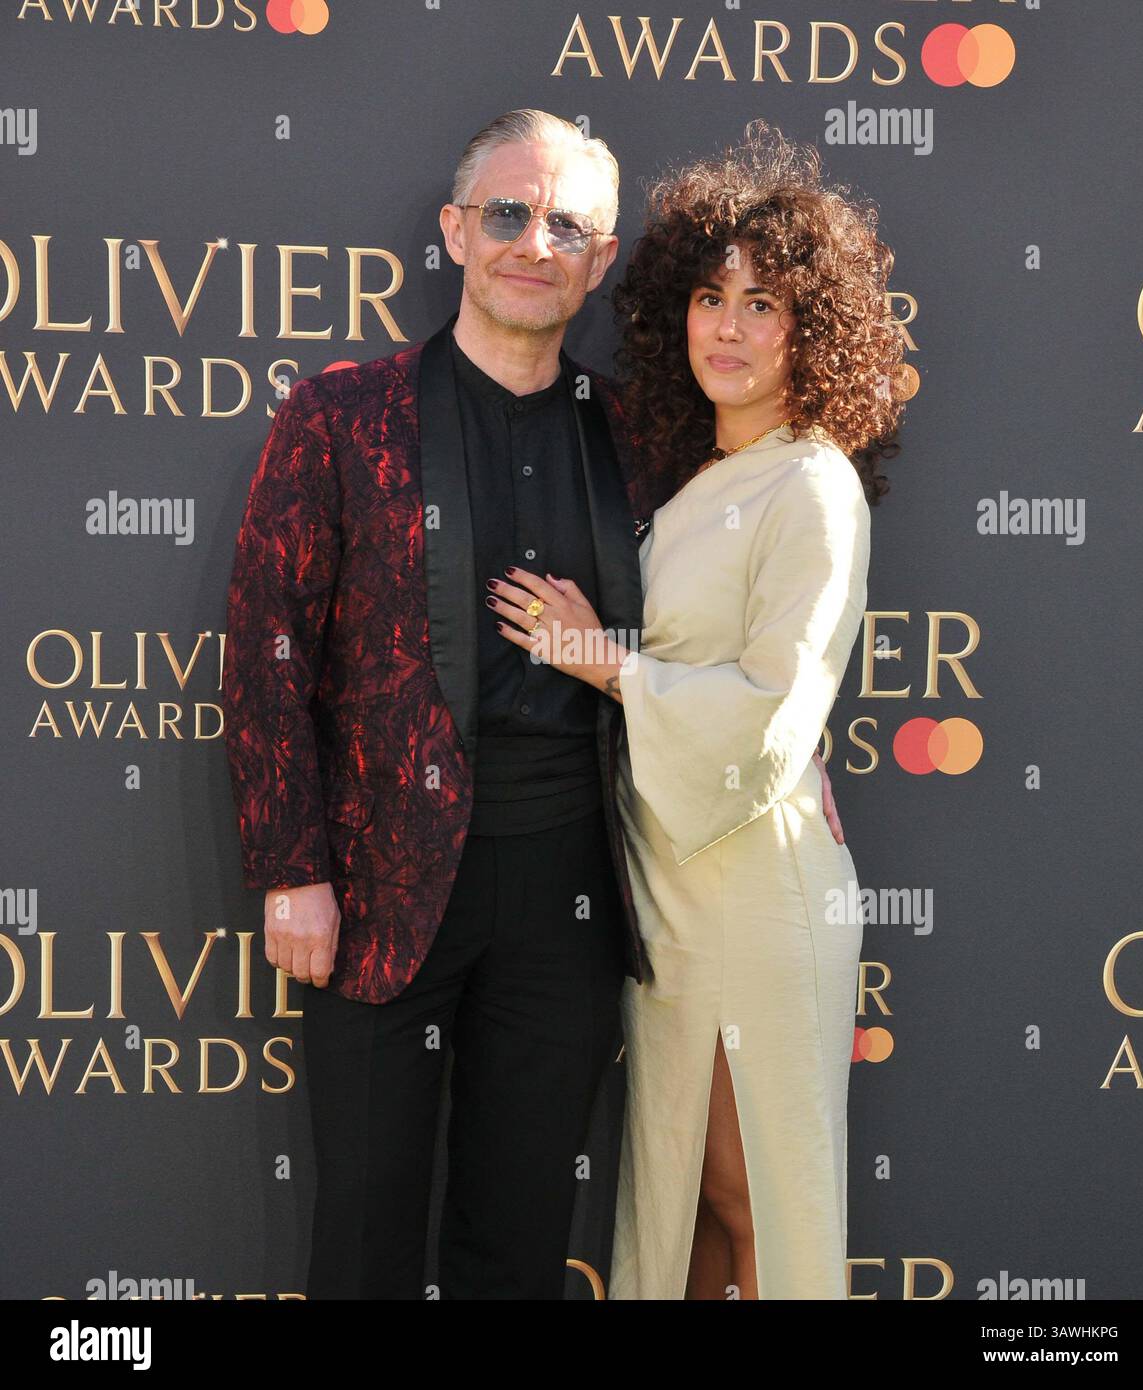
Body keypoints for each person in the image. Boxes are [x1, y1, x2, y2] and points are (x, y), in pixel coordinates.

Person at [223, 107, 842, 1300]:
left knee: (519, 1234)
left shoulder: (641, 435)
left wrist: (793, 754)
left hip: (573, 888)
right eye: (507, 212)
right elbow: (266, 652)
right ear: (455, 232)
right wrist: (288, 864)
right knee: (361, 1228)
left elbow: (740, 619)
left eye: (568, 222)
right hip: (376, 883)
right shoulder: (342, 415)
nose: (533, 241)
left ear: (601, 260)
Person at [489, 121, 905, 1299]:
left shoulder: (813, 482)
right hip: (669, 892)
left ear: (809, 327)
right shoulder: (697, 480)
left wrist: (602, 662)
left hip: (754, 895)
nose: (728, 326)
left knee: (746, 1192)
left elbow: (774, 713)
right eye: (711, 297)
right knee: (682, 1204)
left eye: (765, 304)